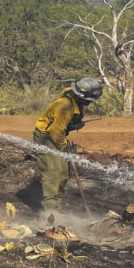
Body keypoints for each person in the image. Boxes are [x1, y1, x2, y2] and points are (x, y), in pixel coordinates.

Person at [33, 77, 103, 213]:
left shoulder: (75, 101)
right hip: (47, 138)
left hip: (56, 137)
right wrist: (64, 147)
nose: (90, 102)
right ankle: (51, 213)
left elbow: (62, 126)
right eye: (89, 99)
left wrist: (74, 125)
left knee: (63, 173)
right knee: (53, 174)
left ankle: (57, 207)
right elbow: (56, 132)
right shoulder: (64, 106)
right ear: (82, 97)